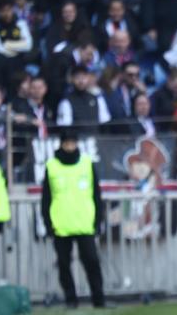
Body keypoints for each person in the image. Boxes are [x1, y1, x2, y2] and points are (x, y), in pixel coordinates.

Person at [41, 127, 105, 308]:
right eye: (66, 143)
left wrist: (98, 220)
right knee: (63, 264)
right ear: (61, 144)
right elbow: (46, 198)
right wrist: (47, 223)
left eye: (72, 142)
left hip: (85, 223)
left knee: (92, 262)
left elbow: (97, 195)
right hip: (61, 224)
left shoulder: (86, 163)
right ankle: (71, 300)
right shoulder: (52, 166)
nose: (70, 146)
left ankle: (98, 299)